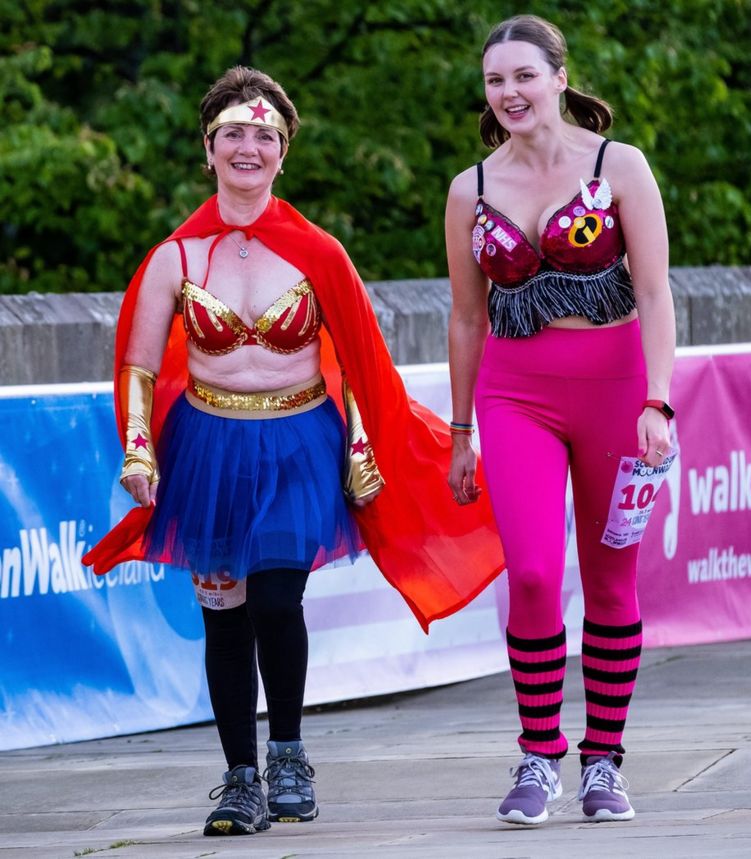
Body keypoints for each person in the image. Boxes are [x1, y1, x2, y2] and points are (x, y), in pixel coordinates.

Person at [84, 66, 504, 837]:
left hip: (296, 442)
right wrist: (138, 454)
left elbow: (362, 362)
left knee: (277, 598)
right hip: (206, 448)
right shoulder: (174, 258)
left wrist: (384, 445)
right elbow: (139, 365)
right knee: (223, 616)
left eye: (265, 136)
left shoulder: (318, 252)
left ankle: (288, 753)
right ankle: (239, 777)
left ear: (284, 155)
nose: (250, 147)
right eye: (234, 134)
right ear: (208, 149)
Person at [445, 15, 675, 826]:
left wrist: (659, 399)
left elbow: (653, 291)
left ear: (557, 77)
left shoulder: (621, 166)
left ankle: (603, 761)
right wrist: (462, 429)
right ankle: (538, 754)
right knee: (535, 572)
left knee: (610, 574)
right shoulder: (470, 187)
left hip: (616, 391)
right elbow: (466, 319)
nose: (509, 93)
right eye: (494, 81)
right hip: (515, 394)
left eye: (522, 76)